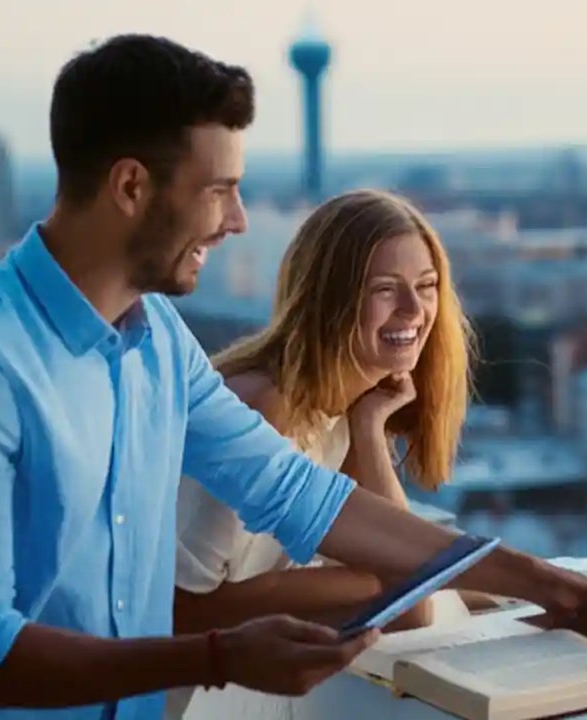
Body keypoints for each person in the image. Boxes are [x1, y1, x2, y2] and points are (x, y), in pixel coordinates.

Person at [0, 34, 587, 720]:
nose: (238, 221)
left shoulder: (156, 344)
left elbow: (300, 495)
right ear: (131, 186)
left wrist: (548, 584)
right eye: (218, 191)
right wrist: (218, 656)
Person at [166, 189, 476, 717]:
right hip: (187, 697)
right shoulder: (258, 412)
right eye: (385, 289)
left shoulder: (342, 411)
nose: (414, 310)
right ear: (328, 299)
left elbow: (408, 607)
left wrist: (369, 427)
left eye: (427, 287)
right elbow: (178, 612)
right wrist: (366, 580)